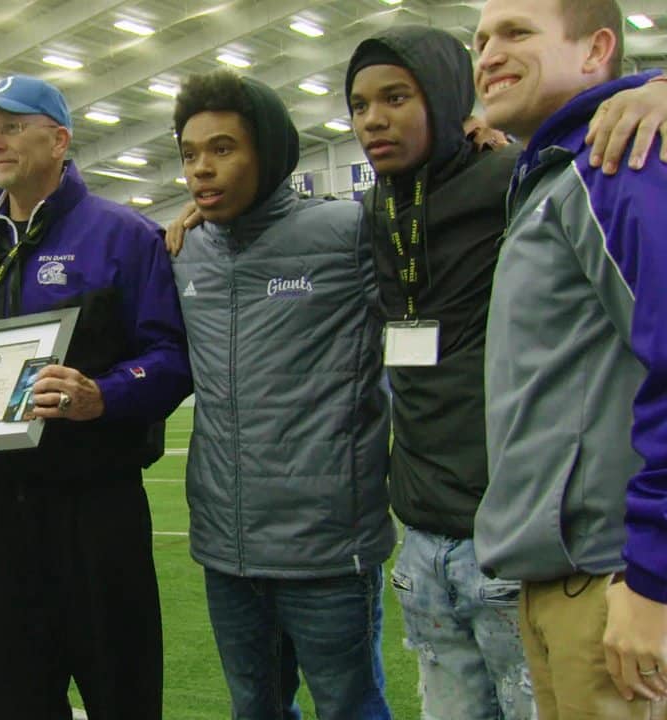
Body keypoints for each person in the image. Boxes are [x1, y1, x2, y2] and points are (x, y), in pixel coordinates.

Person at [346, 25, 667, 720]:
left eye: (396, 97)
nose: (374, 118)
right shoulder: (378, 209)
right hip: (448, 539)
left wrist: (658, 88)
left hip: (550, 546)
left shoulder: (549, 174)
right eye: (360, 104)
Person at [0, 75, 192, 719]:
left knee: (123, 698)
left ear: (59, 140)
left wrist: (101, 395)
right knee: (9, 704)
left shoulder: (123, 237)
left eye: (12, 127)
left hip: (97, 513)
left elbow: (172, 360)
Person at [171, 68, 393, 720]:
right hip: (226, 550)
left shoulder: (346, 233)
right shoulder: (185, 253)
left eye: (222, 149)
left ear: (267, 152)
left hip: (326, 550)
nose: (201, 170)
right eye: (188, 155)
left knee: (350, 707)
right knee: (255, 709)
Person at [471, 0, 667, 717]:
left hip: (616, 589)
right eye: (481, 38)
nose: (488, 53)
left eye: (517, 32)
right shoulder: (553, 173)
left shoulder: (616, 162)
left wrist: (652, 578)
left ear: (596, 51)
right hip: (564, 583)